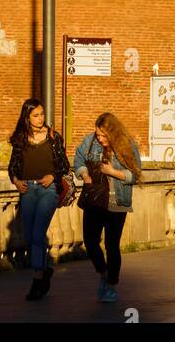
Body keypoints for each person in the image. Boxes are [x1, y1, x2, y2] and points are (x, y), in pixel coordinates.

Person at [8, 98, 72, 301]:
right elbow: (12, 167)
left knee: (37, 233)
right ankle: (46, 268)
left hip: (48, 190)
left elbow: (64, 165)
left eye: (42, 114)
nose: (40, 118)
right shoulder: (20, 139)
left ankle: (37, 281)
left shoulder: (53, 137)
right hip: (27, 190)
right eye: (35, 115)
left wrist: (52, 176)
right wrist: (16, 181)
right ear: (27, 117)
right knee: (29, 236)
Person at [74, 111, 142, 303]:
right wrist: (85, 175)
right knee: (90, 241)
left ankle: (111, 285)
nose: (100, 139)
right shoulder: (89, 141)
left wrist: (113, 172)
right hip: (95, 200)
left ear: (113, 132)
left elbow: (135, 175)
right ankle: (103, 273)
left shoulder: (128, 145)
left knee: (112, 246)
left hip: (117, 203)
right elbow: (78, 160)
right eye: (98, 134)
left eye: (104, 135)